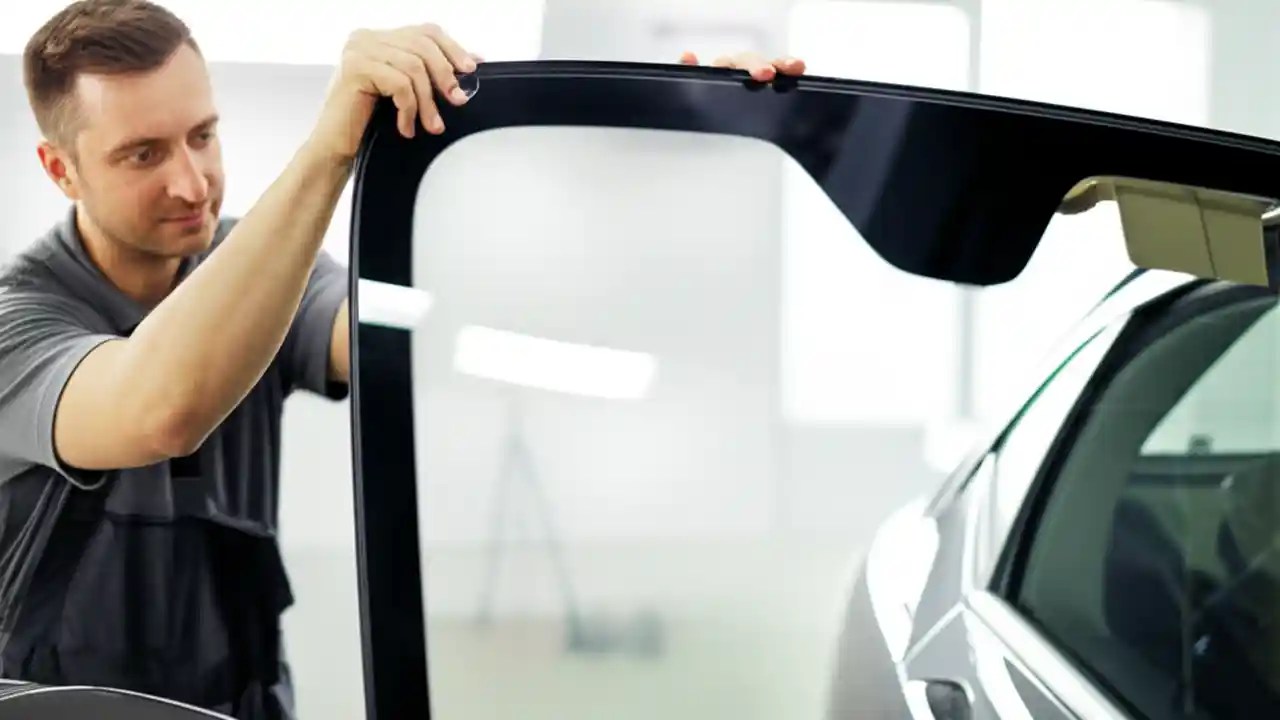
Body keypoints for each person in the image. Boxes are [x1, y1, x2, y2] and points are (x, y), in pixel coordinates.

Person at [0, 1, 807, 718]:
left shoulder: (262, 271)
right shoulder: (17, 322)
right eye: (142, 154)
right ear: (59, 167)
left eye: (203, 136)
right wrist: (328, 151)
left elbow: (435, 324)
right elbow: (159, 409)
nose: (192, 183)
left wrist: (672, 147)